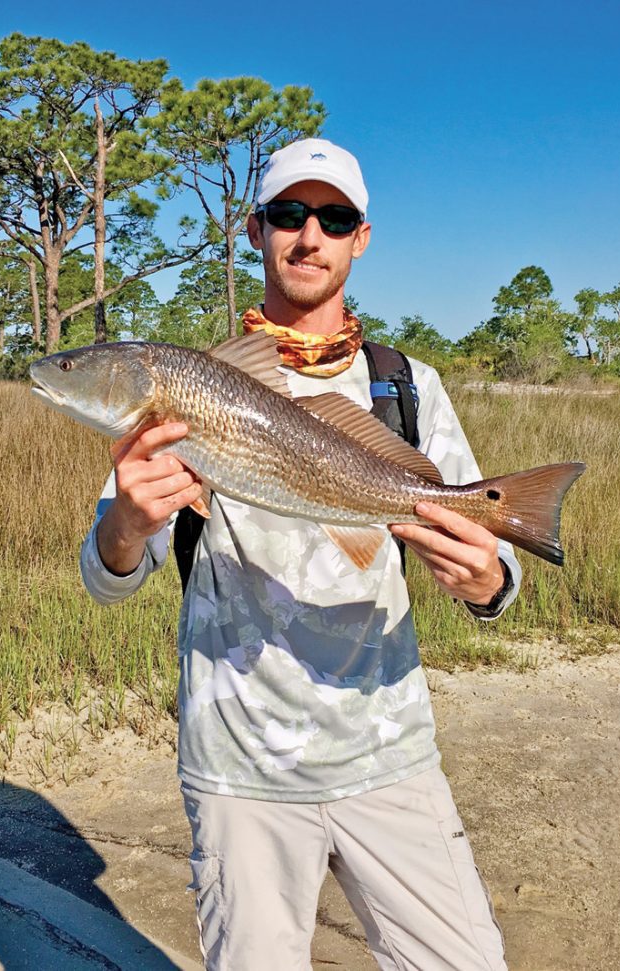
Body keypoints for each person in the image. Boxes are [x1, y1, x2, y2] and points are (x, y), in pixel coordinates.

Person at [81, 138, 520, 971]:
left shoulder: (407, 387)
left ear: (361, 237)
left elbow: (495, 556)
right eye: (288, 213)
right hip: (240, 769)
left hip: (389, 754)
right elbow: (105, 575)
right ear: (256, 231)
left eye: (333, 217)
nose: (308, 234)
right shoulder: (184, 383)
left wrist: (489, 577)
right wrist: (128, 525)